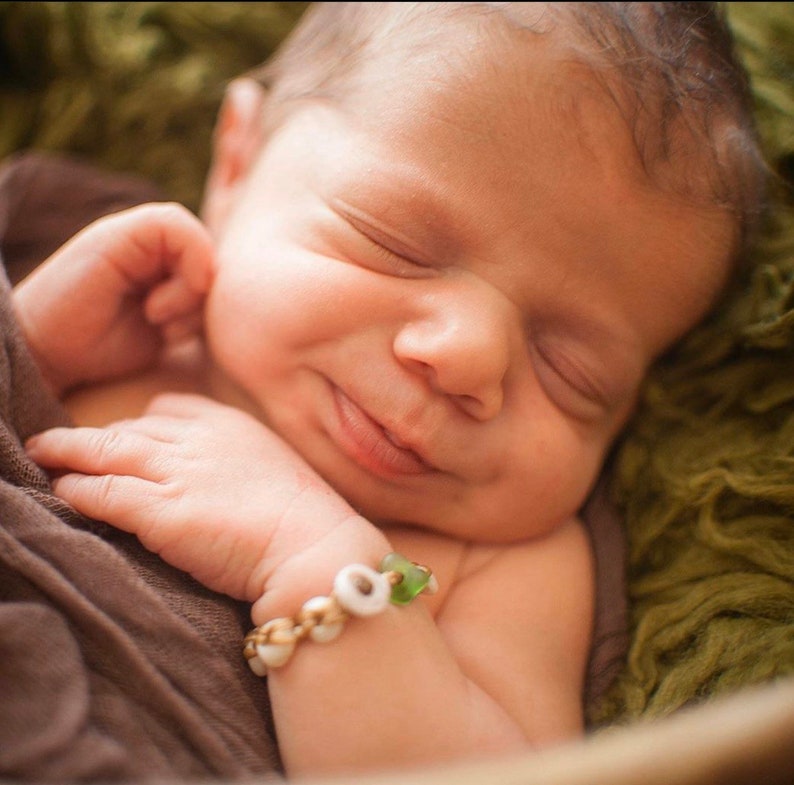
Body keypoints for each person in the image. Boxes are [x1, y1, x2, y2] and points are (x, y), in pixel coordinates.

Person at [14, 1, 766, 778]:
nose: (467, 358)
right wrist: (27, 349)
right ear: (237, 163)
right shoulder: (88, 274)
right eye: (396, 244)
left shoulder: (505, 562)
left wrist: (310, 555)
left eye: (572, 370)